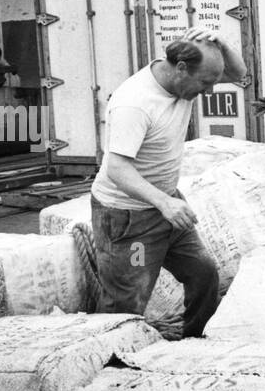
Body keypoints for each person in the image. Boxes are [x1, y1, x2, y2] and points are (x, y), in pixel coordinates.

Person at [89, 28, 246, 336]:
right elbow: (116, 168)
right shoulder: (135, 103)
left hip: (167, 207)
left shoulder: (185, 79)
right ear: (182, 69)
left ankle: (192, 342)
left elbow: (240, 74)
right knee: (128, 300)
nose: (209, 92)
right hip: (130, 221)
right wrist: (164, 202)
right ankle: (110, 365)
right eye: (205, 84)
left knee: (204, 274)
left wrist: (222, 43)